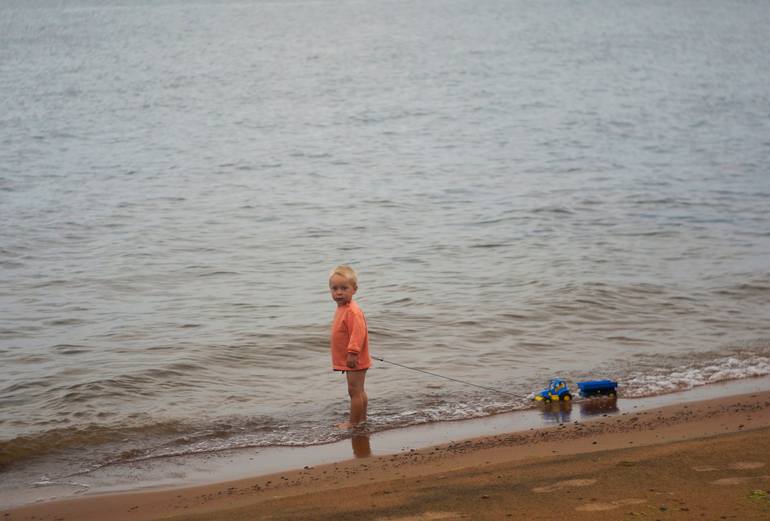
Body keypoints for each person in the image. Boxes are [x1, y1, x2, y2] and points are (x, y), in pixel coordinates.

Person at [328, 265, 371, 428]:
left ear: (354, 289)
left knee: (354, 392)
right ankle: (362, 420)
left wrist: (352, 353)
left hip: (354, 358)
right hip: (354, 358)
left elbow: (358, 333)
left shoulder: (352, 311)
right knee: (359, 391)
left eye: (344, 288)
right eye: (334, 288)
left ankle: (353, 423)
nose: (339, 292)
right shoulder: (343, 308)